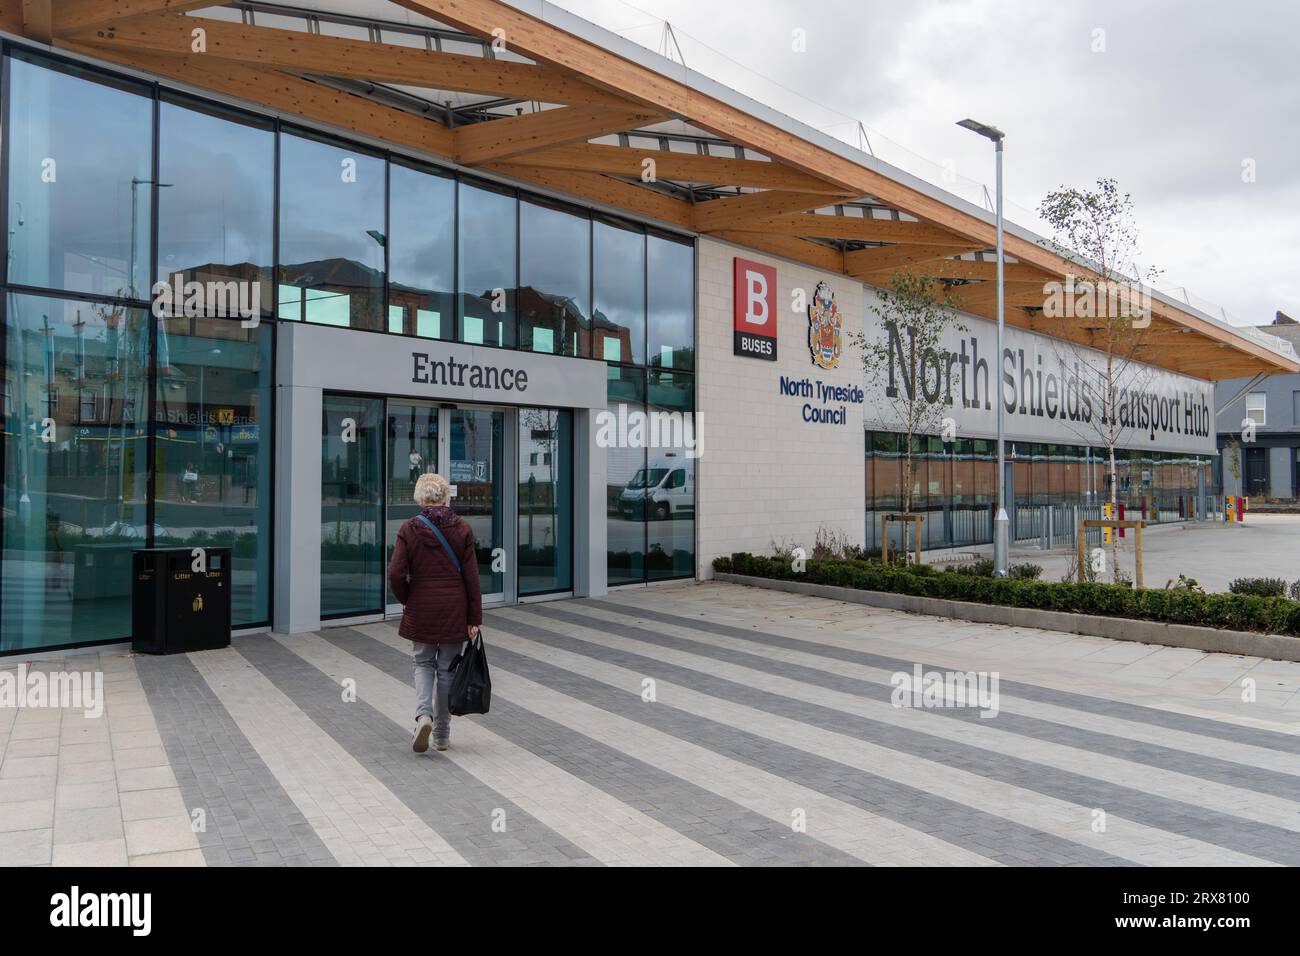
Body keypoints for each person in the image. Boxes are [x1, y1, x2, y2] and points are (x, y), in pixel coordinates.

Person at [387, 472, 482, 754]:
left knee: (423, 664)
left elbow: (395, 573)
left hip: (422, 608)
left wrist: (407, 598)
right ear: (444, 496)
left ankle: (423, 716)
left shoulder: (408, 528)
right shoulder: (462, 528)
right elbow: (473, 578)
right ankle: (441, 735)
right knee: (447, 670)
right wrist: (474, 618)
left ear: (420, 497)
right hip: (455, 608)